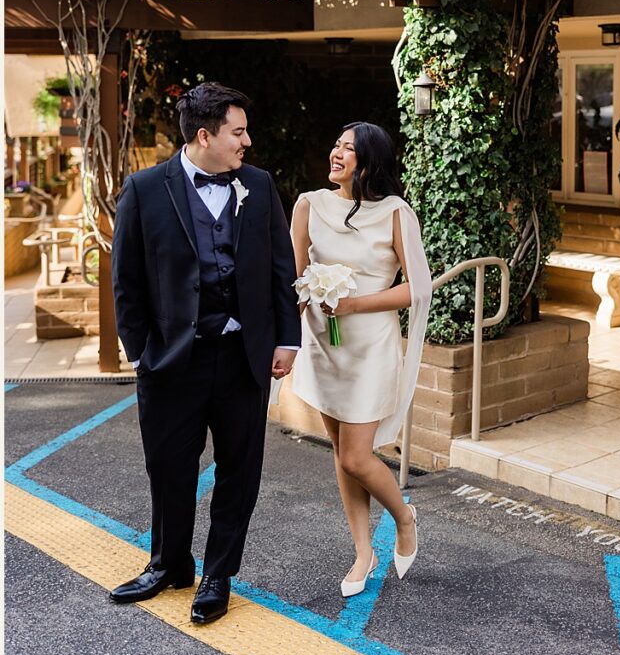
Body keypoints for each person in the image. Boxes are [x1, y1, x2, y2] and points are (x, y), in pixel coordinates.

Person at [109, 82, 301, 625]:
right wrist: (141, 352)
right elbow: (126, 281)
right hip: (172, 360)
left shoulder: (259, 186)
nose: (247, 141)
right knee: (169, 467)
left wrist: (286, 339)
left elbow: (281, 269)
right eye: (237, 131)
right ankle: (169, 563)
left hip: (243, 357)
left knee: (240, 469)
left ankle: (218, 574)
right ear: (204, 135)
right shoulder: (144, 189)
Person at [289, 122, 430, 597]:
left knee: (356, 454)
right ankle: (362, 552)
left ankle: (404, 517)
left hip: (370, 346)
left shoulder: (395, 213)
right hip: (323, 345)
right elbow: (292, 278)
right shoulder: (309, 204)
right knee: (342, 455)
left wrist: (352, 304)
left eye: (348, 149)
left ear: (367, 164)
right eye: (336, 143)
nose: (336, 153)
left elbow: (417, 288)